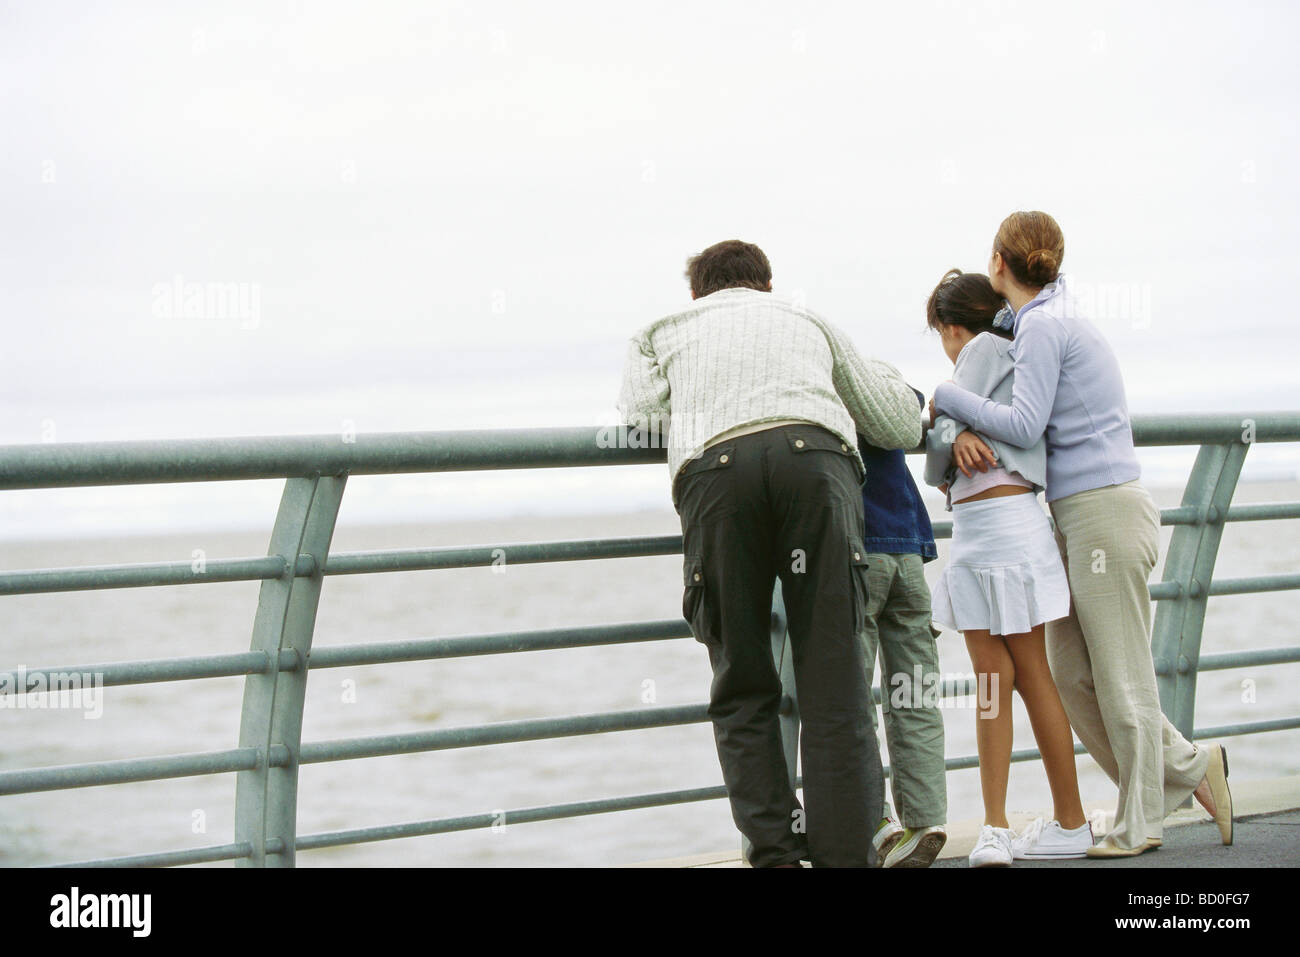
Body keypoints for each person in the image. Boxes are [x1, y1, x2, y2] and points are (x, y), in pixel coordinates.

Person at [932, 212, 1233, 857]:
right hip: (1073, 513)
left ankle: (1141, 822)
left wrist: (945, 399)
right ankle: (1186, 768)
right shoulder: (1036, 321)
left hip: (1103, 507)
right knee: (1071, 672)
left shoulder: (1044, 325)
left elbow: (1022, 423)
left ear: (999, 263)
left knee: (1121, 675)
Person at [616, 239, 921, 867]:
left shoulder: (659, 330)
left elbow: (640, 417)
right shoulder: (808, 320)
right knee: (835, 682)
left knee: (743, 680)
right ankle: (845, 858)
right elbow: (896, 425)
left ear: (696, 294)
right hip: (817, 467)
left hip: (718, 477)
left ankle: (777, 855)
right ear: (768, 286)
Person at [924, 268, 1091, 867]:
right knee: (1026, 673)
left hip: (993, 529)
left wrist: (950, 420)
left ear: (948, 326)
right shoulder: (1010, 350)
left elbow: (937, 454)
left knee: (998, 682)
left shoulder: (980, 349)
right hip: (998, 527)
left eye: (940, 332)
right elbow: (954, 432)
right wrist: (955, 425)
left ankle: (999, 826)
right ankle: (1063, 821)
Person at [856, 422, 949, 868]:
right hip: (909, 553)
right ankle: (925, 821)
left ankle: (875, 821)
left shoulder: (821, 391)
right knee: (915, 695)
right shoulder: (892, 398)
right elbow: (914, 405)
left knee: (850, 700)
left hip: (857, 554)